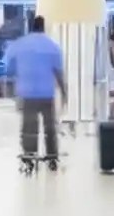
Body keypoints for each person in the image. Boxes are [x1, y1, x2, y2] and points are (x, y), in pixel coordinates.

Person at [4, 16, 68, 166]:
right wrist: (64, 93)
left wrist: (9, 91)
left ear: (29, 26)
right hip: (46, 93)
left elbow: (9, 71)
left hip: (26, 93)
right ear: (43, 27)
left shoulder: (18, 45)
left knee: (28, 127)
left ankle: (29, 155)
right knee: (50, 127)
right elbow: (58, 73)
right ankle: (52, 156)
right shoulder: (52, 46)